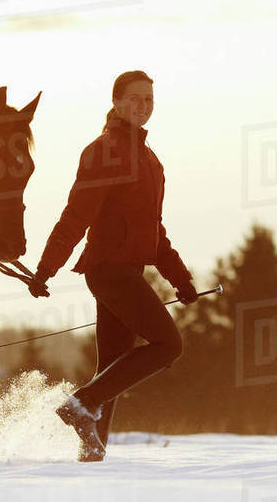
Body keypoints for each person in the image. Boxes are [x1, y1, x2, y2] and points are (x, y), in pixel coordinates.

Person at [28, 70, 198, 461]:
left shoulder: (149, 159)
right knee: (168, 345)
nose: (143, 106)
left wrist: (181, 279)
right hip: (108, 272)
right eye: (136, 99)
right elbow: (76, 215)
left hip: (129, 272)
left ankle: (92, 450)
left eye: (149, 100)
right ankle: (81, 403)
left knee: (113, 368)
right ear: (117, 102)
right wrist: (45, 268)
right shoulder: (104, 152)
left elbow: (155, 231)